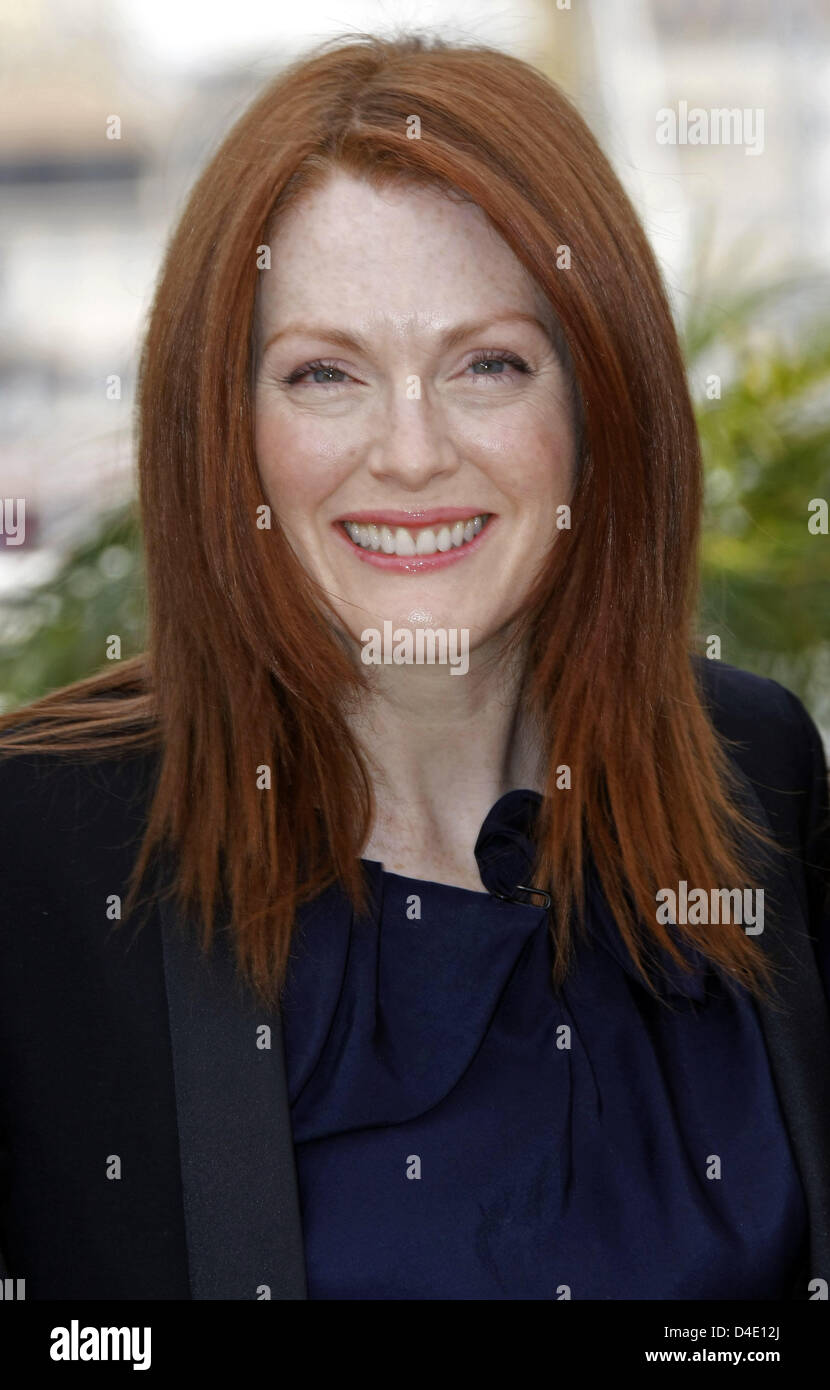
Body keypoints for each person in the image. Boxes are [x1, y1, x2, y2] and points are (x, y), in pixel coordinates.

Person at [1, 33, 828, 1302]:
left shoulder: (756, 771)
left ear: (600, 407)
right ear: (223, 429)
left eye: (486, 363)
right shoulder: (38, 851)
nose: (409, 451)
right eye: (324, 373)